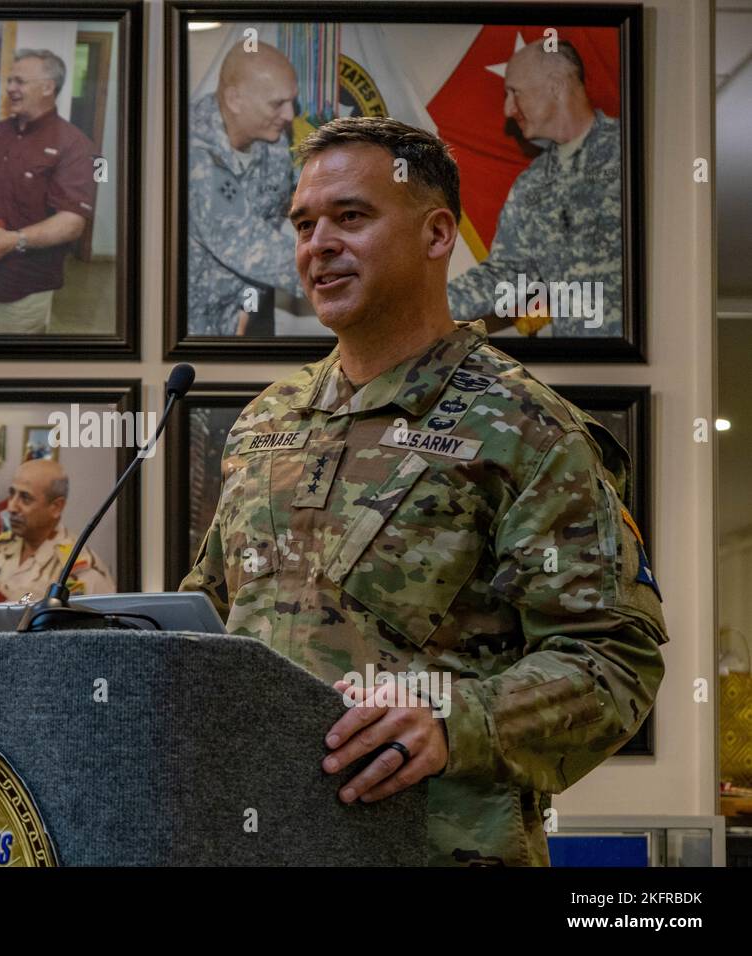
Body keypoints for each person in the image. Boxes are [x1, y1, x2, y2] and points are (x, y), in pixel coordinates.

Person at [180, 116, 667, 866]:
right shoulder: (267, 421)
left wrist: (454, 718)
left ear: (437, 236)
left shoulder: (526, 427)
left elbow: (614, 661)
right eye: (304, 224)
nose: (318, 245)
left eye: (351, 217)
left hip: (435, 847)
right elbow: (211, 615)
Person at [447, 40, 622, 337]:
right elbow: (508, 276)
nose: (507, 109)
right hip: (585, 368)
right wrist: (419, 308)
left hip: (654, 361)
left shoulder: (632, 152)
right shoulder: (533, 183)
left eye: (515, 92)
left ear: (555, 85)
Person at [0, 49, 98, 334]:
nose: (11, 88)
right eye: (9, 81)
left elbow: (72, 222)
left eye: (20, 81)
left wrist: (13, 241)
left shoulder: (74, 146)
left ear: (48, 87)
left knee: (10, 377)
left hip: (21, 289)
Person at [186, 42, 306, 336]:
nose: (290, 115)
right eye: (278, 104)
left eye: (292, 102)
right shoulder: (192, 152)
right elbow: (250, 245)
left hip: (252, 298)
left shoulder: (272, 138)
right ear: (235, 99)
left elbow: (288, 202)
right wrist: (358, 271)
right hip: (194, 325)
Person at [0, 458, 115, 601]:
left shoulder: (77, 567)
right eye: (12, 494)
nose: (11, 507)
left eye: (25, 498)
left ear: (56, 507)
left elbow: (101, 620)